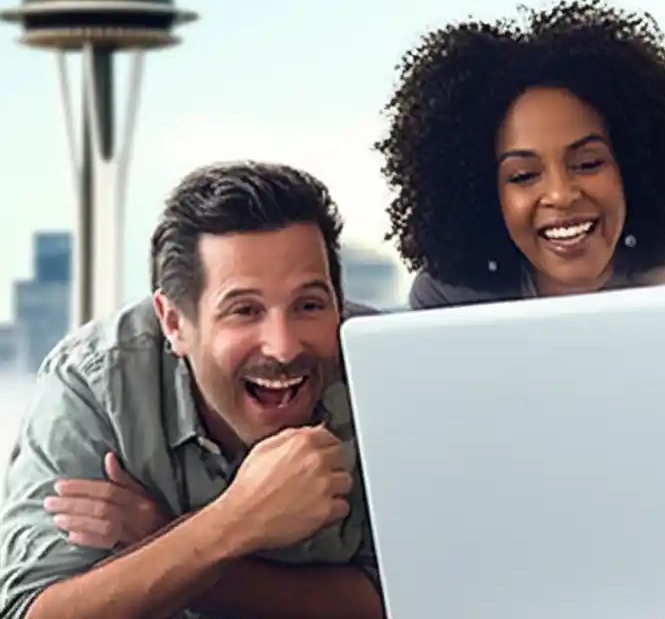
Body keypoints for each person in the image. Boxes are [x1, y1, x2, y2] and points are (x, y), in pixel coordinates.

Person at [0, 162, 383, 619]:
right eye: (244, 310)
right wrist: (235, 522)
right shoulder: (96, 381)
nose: (282, 347)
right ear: (175, 323)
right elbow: (32, 611)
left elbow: (402, 601)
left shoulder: (383, 370)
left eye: (309, 305)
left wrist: (169, 540)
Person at [377, 0, 665, 309]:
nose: (560, 195)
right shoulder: (448, 299)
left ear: (633, 170)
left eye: (588, 163)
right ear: (485, 194)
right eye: (524, 176)